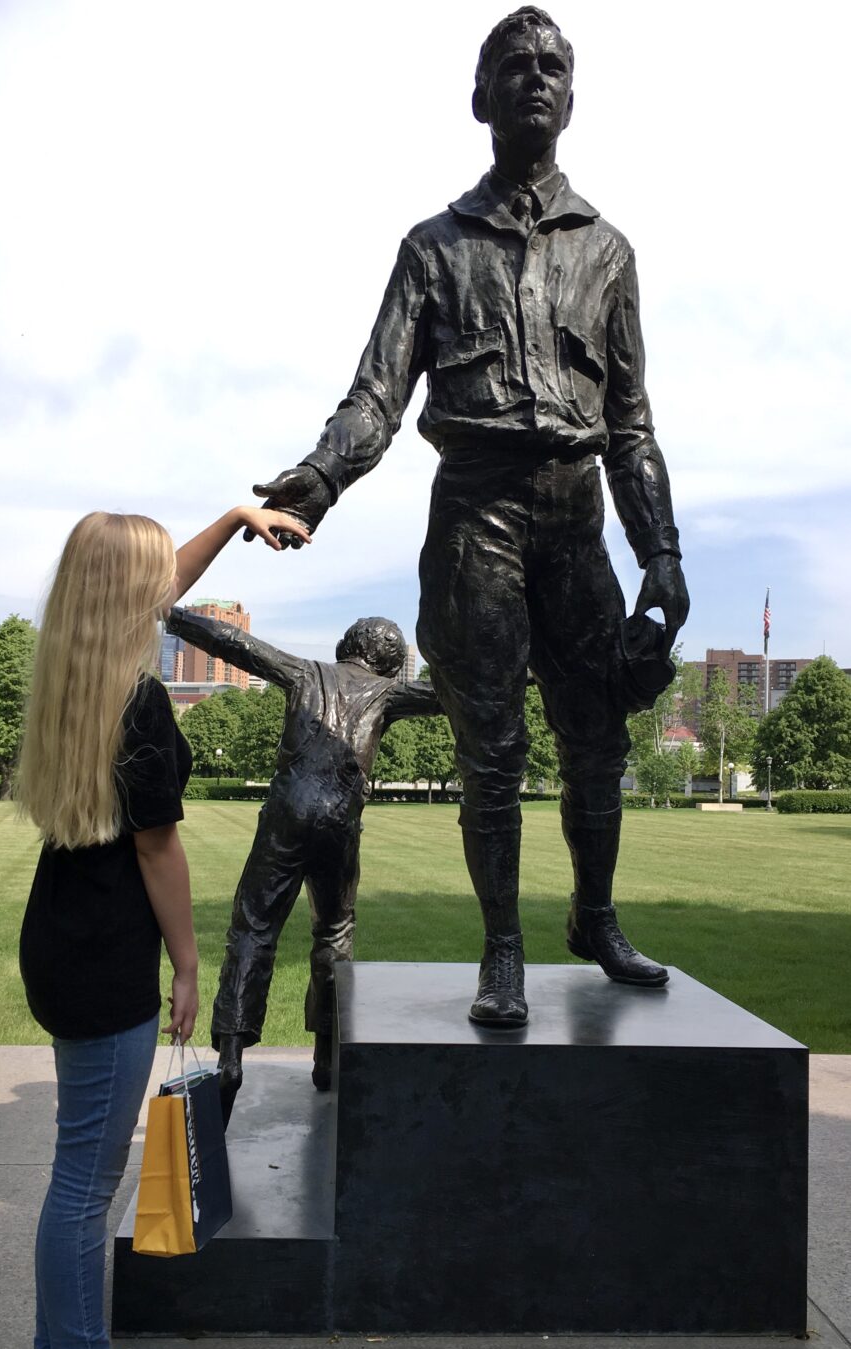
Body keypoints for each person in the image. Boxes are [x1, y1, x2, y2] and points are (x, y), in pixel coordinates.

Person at [250, 7, 690, 1027]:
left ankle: (594, 916)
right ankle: (503, 952)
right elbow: (375, 397)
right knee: (491, 749)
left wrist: (660, 550)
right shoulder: (432, 248)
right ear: (480, 98)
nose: (536, 78)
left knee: (596, 738)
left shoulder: (609, 251)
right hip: (475, 515)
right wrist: (320, 476)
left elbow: (632, 425)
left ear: (571, 99)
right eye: (515, 66)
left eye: (553, 67)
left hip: (576, 516)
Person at [15, 503, 309, 1349]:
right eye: (151, 579)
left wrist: (233, 517)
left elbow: (164, 579)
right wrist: (187, 965)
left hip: (60, 937)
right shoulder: (137, 699)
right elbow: (157, 850)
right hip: (106, 957)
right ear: (127, 596)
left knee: (75, 1168)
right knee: (84, 1186)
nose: (166, 590)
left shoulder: (71, 671)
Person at [165, 606, 442, 1117]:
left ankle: (231, 1056)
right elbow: (461, 692)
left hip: (286, 815)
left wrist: (174, 617)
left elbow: (236, 644)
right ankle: (326, 1056)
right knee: (334, 934)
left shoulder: (306, 672)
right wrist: (533, 671)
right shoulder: (389, 693)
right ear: (388, 661)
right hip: (340, 822)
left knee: (252, 930)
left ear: (348, 644)